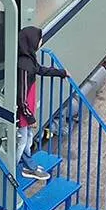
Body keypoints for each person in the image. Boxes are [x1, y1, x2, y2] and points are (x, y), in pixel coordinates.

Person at [16, 25, 68, 181]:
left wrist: (61, 73)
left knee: (27, 139)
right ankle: (20, 167)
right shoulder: (24, 66)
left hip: (27, 111)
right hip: (24, 112)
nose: (41, 42)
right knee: (22, 141)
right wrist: (30, 117)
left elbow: (41, 70)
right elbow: (21, 96)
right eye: (39, 39)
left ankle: (27, 165)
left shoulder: (28, 60)